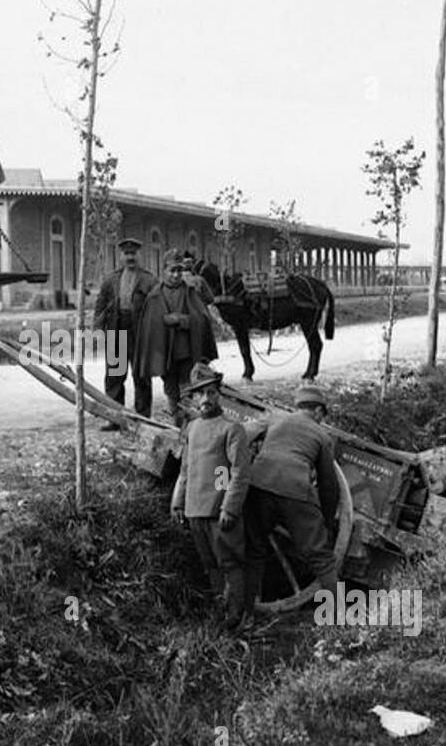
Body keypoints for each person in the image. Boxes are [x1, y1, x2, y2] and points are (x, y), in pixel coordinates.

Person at [242, 385, 341, 611]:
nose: (321, 420)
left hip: (259, 485)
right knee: (322, 558)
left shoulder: (276, 418)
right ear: (318, 411)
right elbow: (329, 486)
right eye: (322, 416)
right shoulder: (322, 435)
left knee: (255, 550)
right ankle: (340, 616)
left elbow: (242, 433)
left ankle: (246, 611)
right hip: (296, 491)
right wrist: (325, 522)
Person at [170, 363, 251, 630]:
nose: (206, 399)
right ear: (193, 398)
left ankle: (237, 617)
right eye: (200, 394)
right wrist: (178, 502)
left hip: (219, 513)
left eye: (211, 393)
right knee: (210, 565)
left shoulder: (231, 429)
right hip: (195, 511)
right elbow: (186, 469)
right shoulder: (192, 429)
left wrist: (229, 507)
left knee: (230, 563)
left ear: (219, 396)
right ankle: (221, 611)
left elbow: (237, 471)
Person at [135, 249, 219, 426]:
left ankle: (192, 424)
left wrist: (184, 320)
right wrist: (162, 321)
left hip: (187, 351)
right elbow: (149, 325)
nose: (176, 275)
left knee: (189, 388)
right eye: (172, 270)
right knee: (171, 390)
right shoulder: (155, 295)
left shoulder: (190, 291)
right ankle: (176, 420)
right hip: (166, 353)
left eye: (179, 271)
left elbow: (202, 318)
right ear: (164, 270)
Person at [91, 235, 156, 427]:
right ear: (121, 256)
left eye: (133, 253)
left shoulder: (149, 280)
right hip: (116, 330)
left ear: (139, 255)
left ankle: (143, 419)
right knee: (114, 376)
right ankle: (115, 419)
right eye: (126, 253)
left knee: (141, 376)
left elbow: (156, 308)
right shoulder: (111, 280)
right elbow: (100, 305)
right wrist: (97, 329)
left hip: (140, 334)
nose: (130, 257)